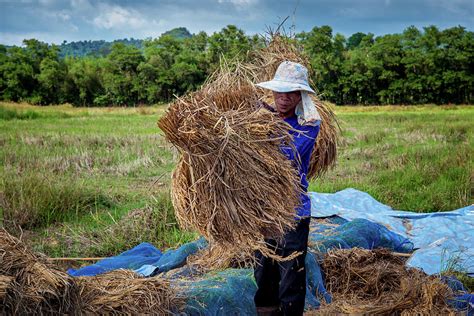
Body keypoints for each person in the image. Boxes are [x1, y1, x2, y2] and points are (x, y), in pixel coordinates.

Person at [253, 61, 321, 316]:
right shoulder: (260, 120)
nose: (284, 98)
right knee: (263, 271)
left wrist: (256, 136)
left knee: (292, 273)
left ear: (300, 96)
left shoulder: (309, 125)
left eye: (291, 93)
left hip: (294, 210)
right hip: (262, 209)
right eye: (280, 92)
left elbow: (286, 157)